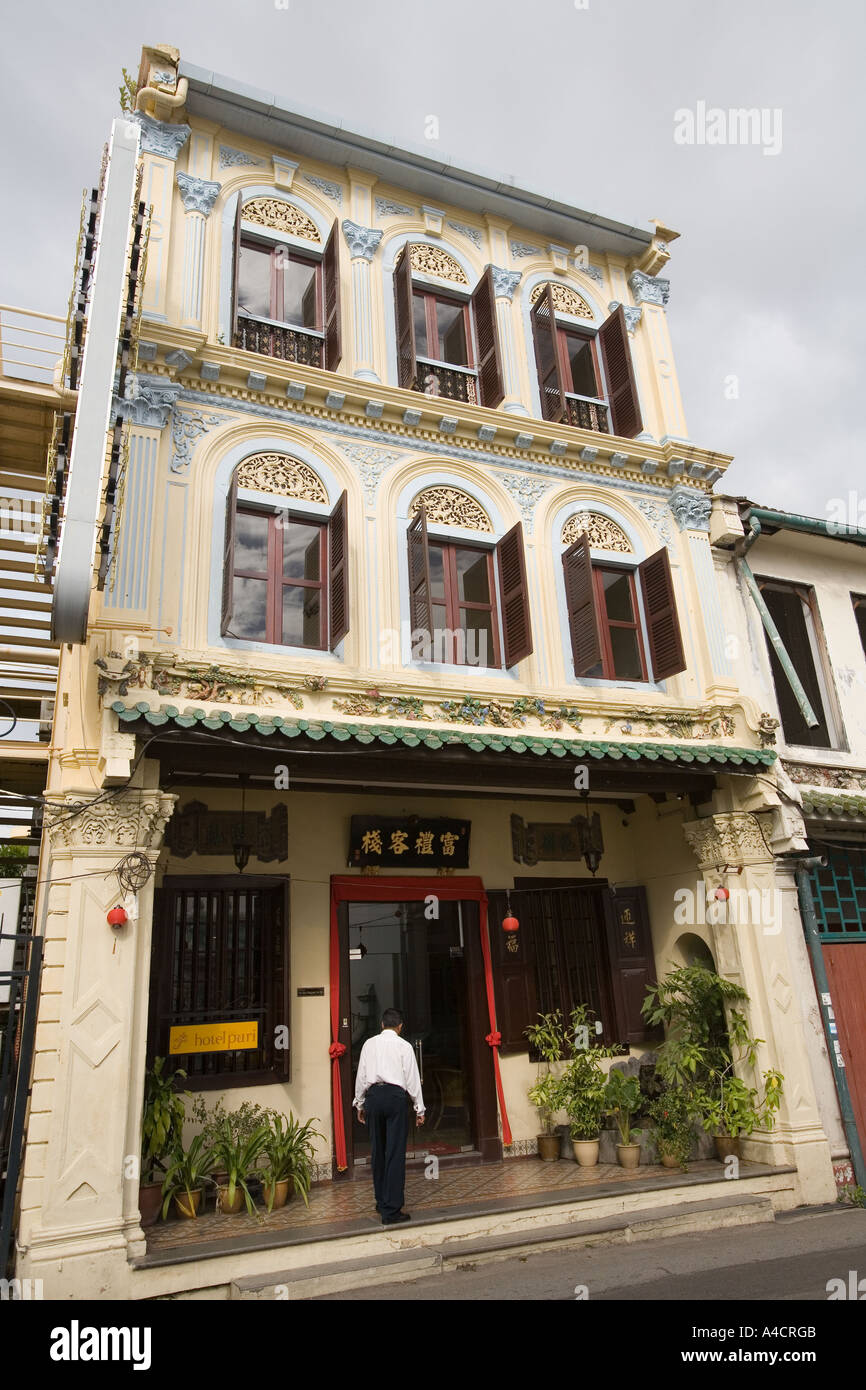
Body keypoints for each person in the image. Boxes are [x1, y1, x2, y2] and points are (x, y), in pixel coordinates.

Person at [354, 1007, 425, 1225]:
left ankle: (381, 1201)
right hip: (395, 1098)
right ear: (400, 1027)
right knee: (394, 1152)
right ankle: (392, 1210)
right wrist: (419, 1108)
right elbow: (412, 1078)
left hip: (374, 1096)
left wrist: (359, 1103)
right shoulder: (404, 1046)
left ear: (382, 1024)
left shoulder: (369, 1044)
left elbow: (362, 1074)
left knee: (378, 1151)